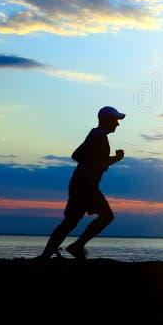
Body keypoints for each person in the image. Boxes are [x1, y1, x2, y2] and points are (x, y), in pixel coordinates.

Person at [37, 106, 126, 260]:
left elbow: (77, 155)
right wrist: (115, 159)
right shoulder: (98, 137)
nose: (117, 124)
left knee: (71, 221)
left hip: (82, 184)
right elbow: (96, 163)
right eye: (115, 120)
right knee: (105, 217)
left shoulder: (94, 134)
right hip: (86, 186)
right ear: (107, 120)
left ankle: (48, 254)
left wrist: (92, 163)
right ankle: (75, 246)